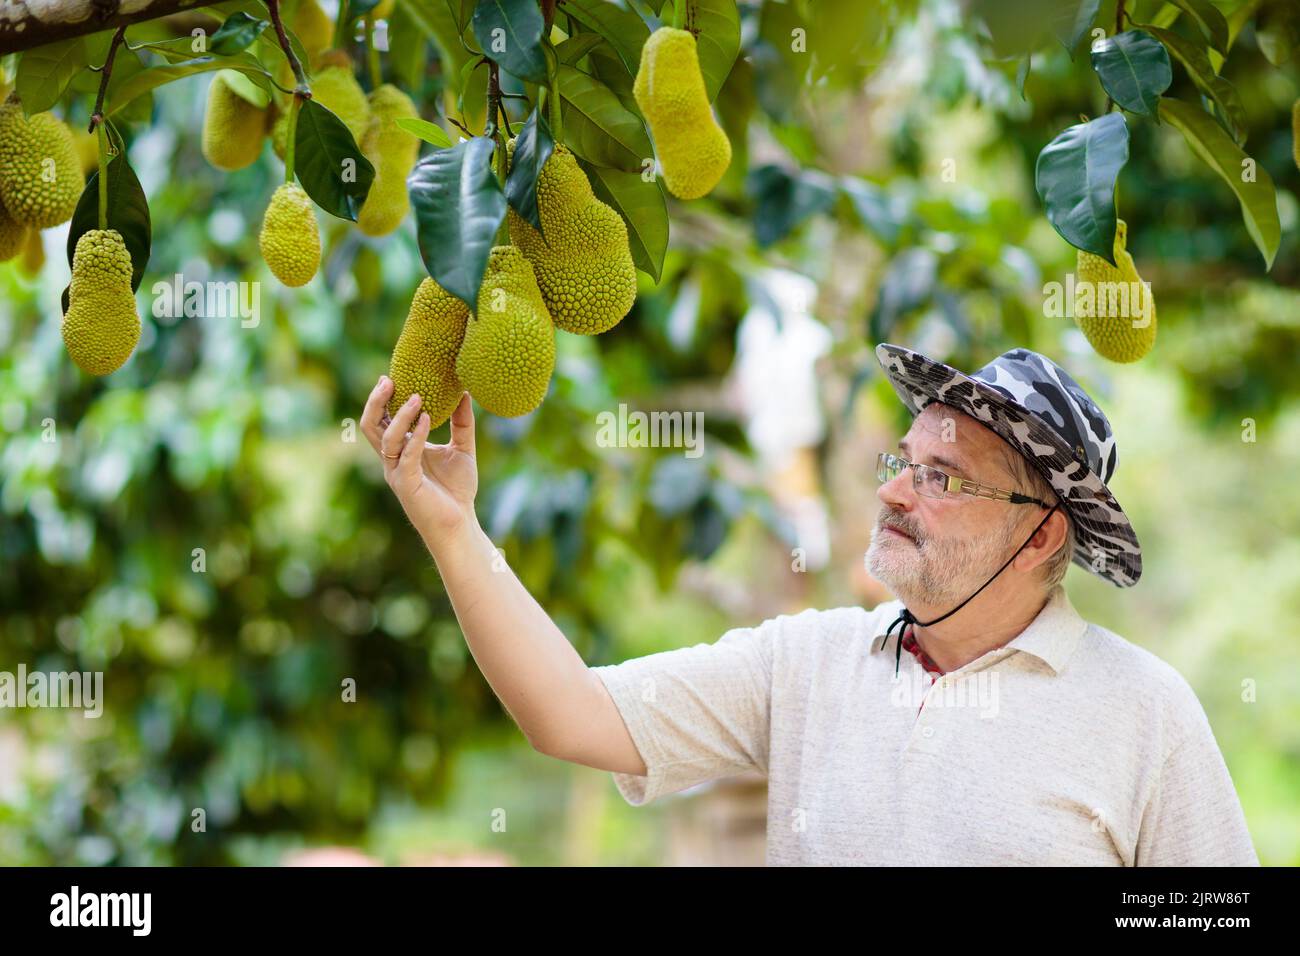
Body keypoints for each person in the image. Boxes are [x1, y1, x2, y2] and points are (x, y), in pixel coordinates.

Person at [359, 342, 1259, 866]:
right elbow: (571, 714)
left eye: (942, 478)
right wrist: (452, 529)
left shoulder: (1143, 711)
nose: (897, 492)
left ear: (1042, 536)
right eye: (902, 462)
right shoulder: (809, 663)